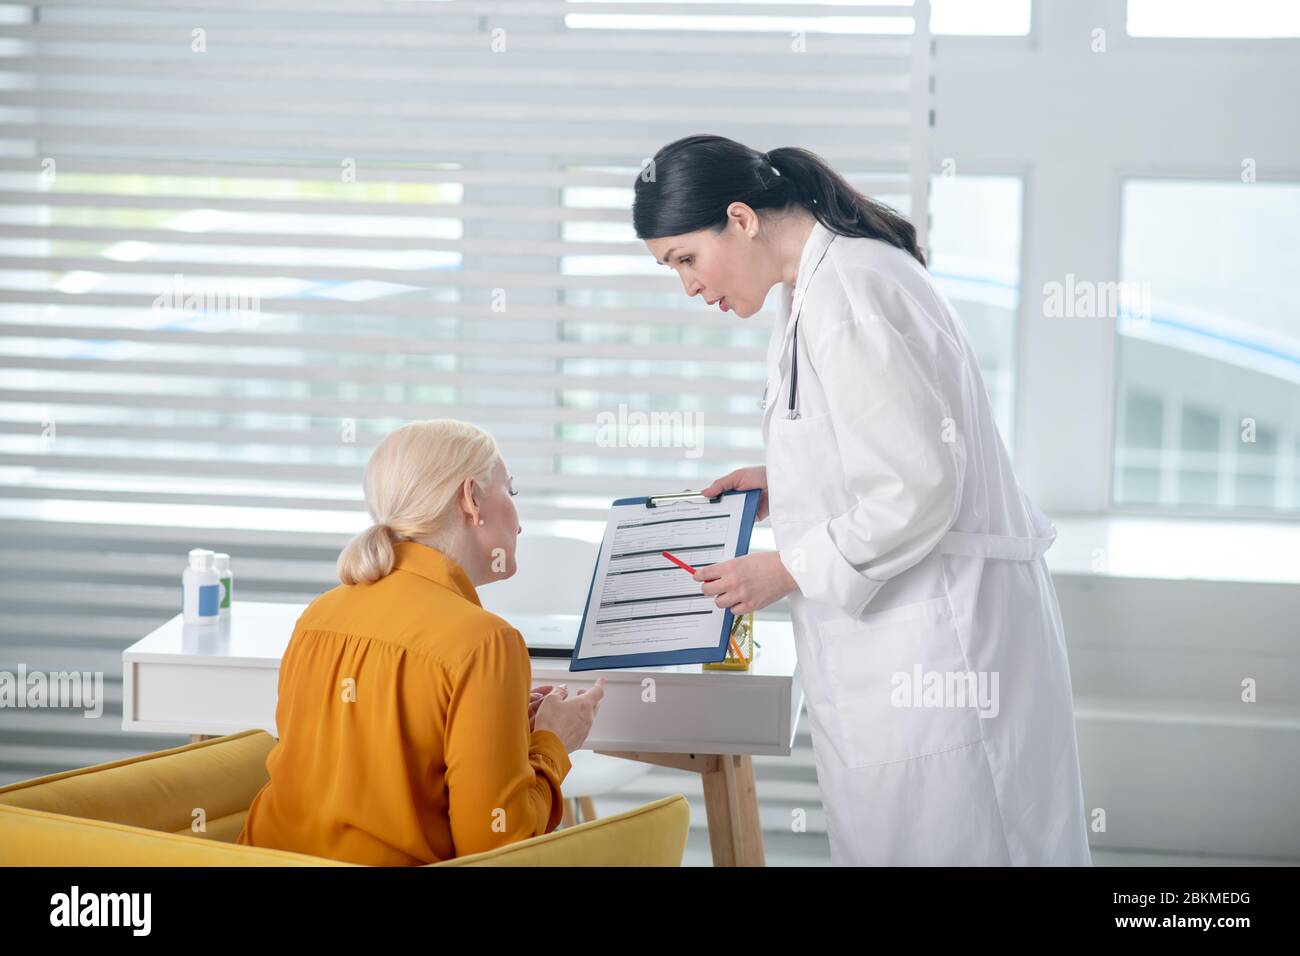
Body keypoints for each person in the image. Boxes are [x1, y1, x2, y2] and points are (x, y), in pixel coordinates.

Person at [633, 134, 1091, 866]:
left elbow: (920, 486)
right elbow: (889, 451)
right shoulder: (815, 289)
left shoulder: (850, 289)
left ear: (742, 218)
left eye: (686, 258)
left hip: (944, 641)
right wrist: (788, 481)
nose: (688, 285)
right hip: (903, 652)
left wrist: (785, 570)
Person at [237, 419, 605, 865]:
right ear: (471, 499)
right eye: (511, 492)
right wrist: (553, 743)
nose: (520, 523)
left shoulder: (318, 616)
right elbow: (495, 847)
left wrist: (508, 734)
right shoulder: (487, 642)